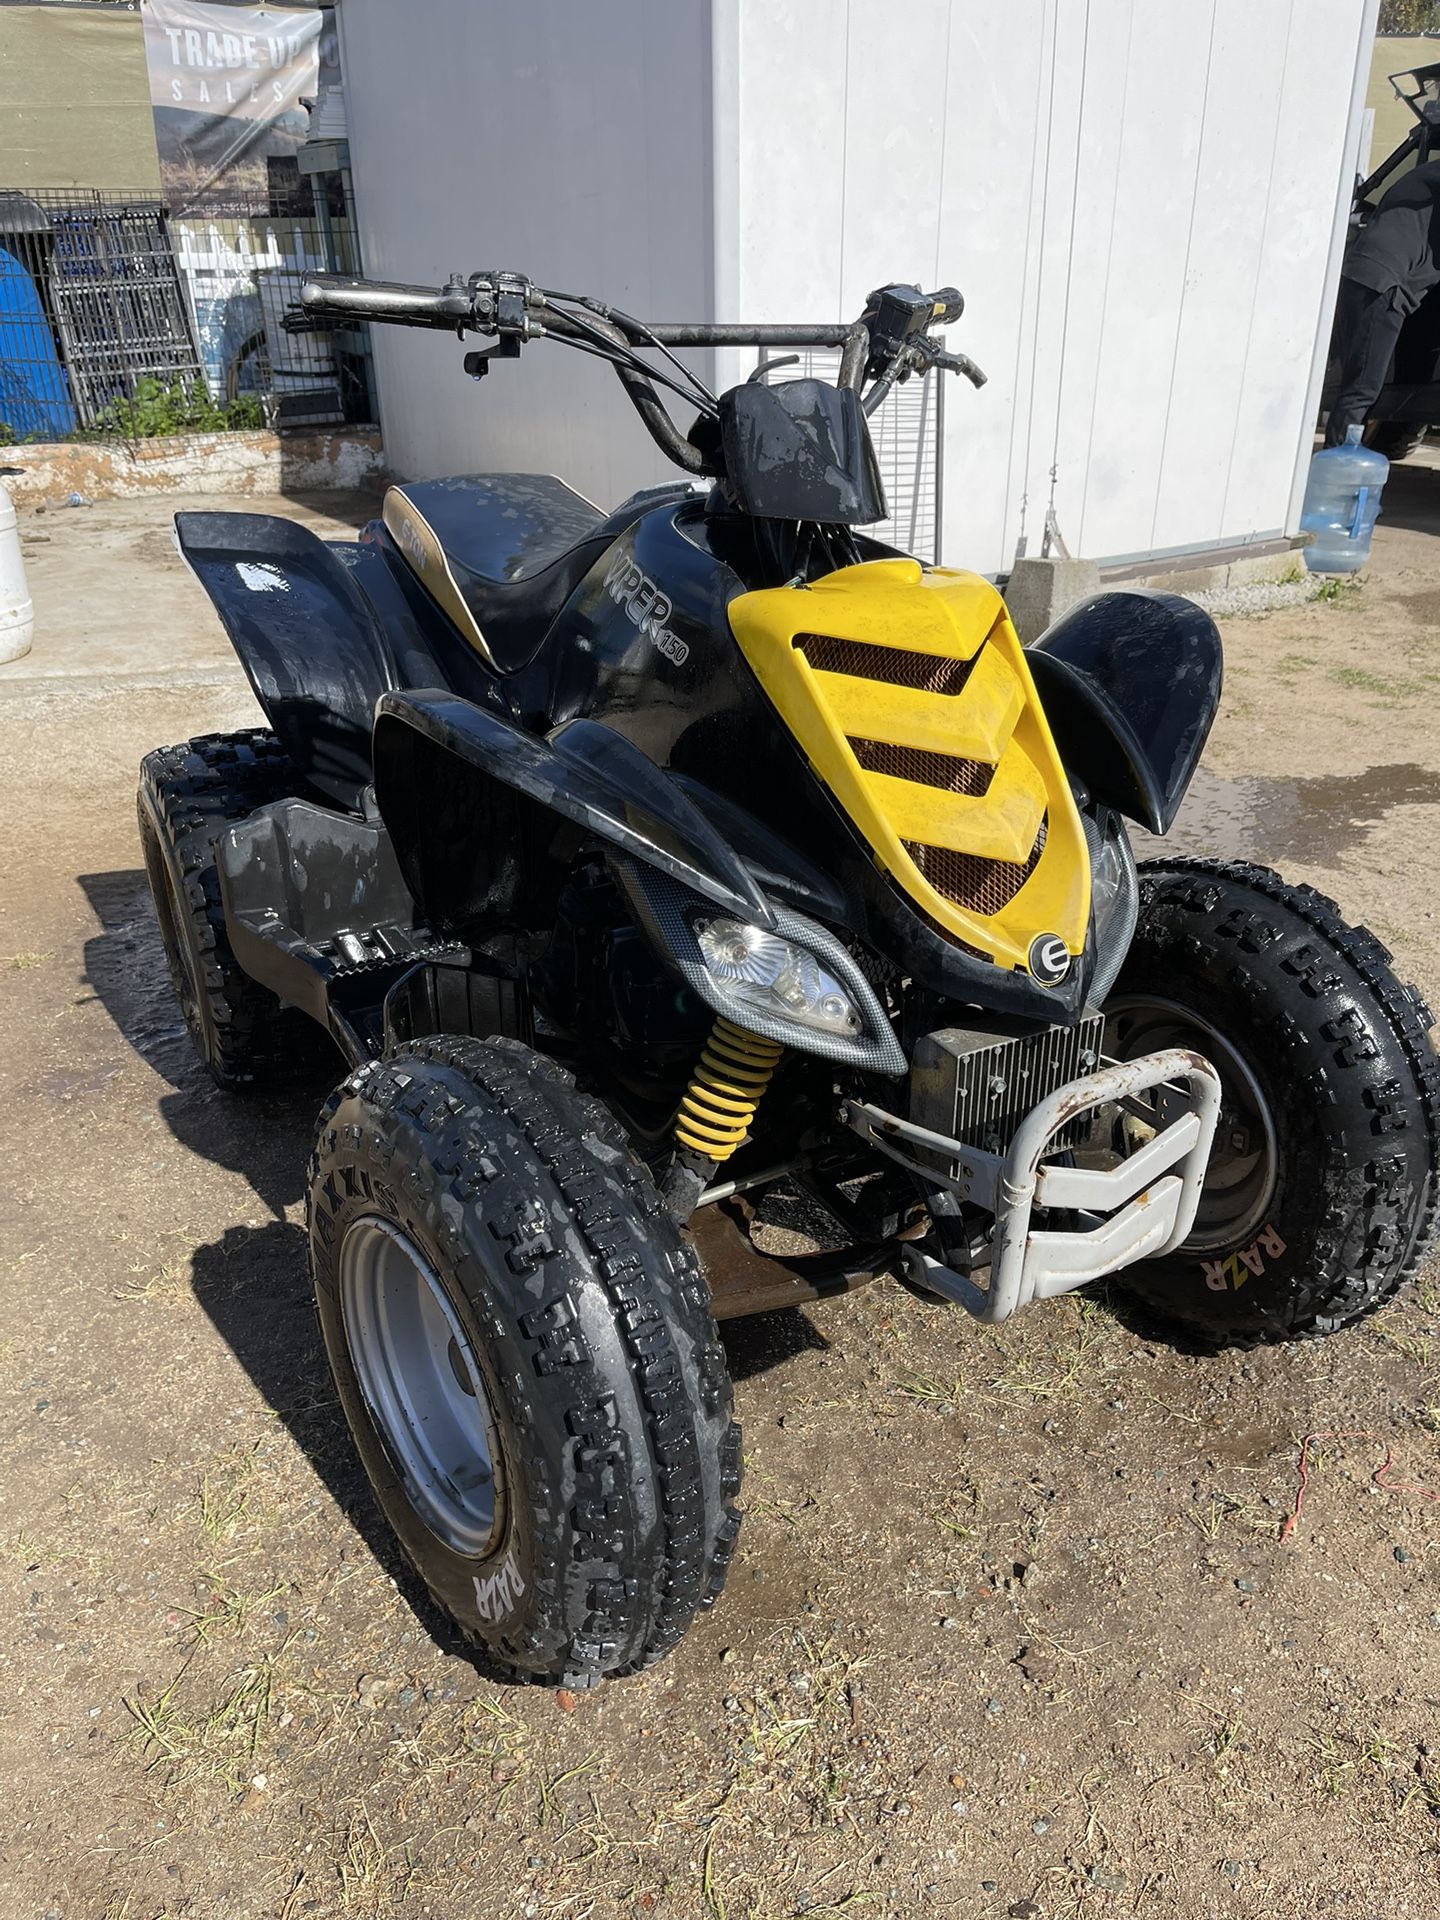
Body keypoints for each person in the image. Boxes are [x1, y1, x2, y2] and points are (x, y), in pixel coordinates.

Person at [1326, 158, 1440, 445]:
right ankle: (1336, 471)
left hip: (1371, 277)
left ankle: (1341, 467)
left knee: (1361, 387)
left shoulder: (1424, 176)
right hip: (1381, 284)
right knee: (1362, 389)